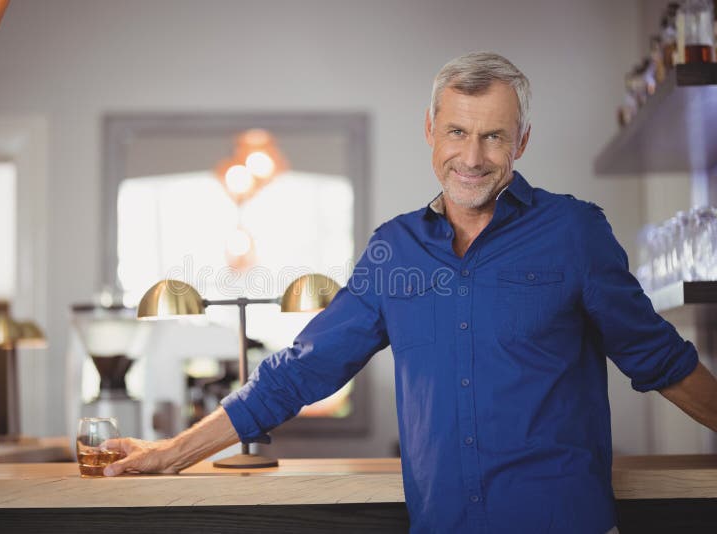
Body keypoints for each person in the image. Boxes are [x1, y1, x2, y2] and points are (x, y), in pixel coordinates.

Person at [103, 52, 717, 533]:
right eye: (456, 131)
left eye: (494, 137)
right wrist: (174, 452)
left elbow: (661, 360)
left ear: (521, 142)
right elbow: (301, 371)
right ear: (430, 131)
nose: (471, 157)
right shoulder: (392, 251)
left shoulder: (575, 233)